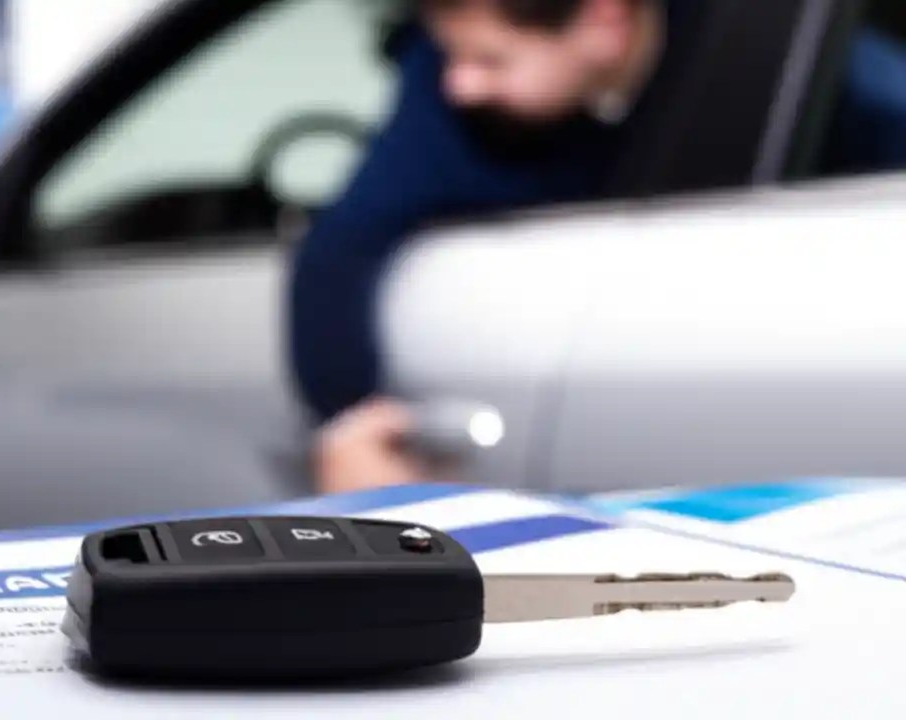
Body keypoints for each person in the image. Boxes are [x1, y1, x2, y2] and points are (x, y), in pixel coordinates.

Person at [292, 0, 906, 494]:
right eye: (451, 55)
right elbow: (341, 249)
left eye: (490, 59)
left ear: (605, 21)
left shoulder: (840, 81)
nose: (459, 84)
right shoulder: (458, 87)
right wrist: (355, 424)